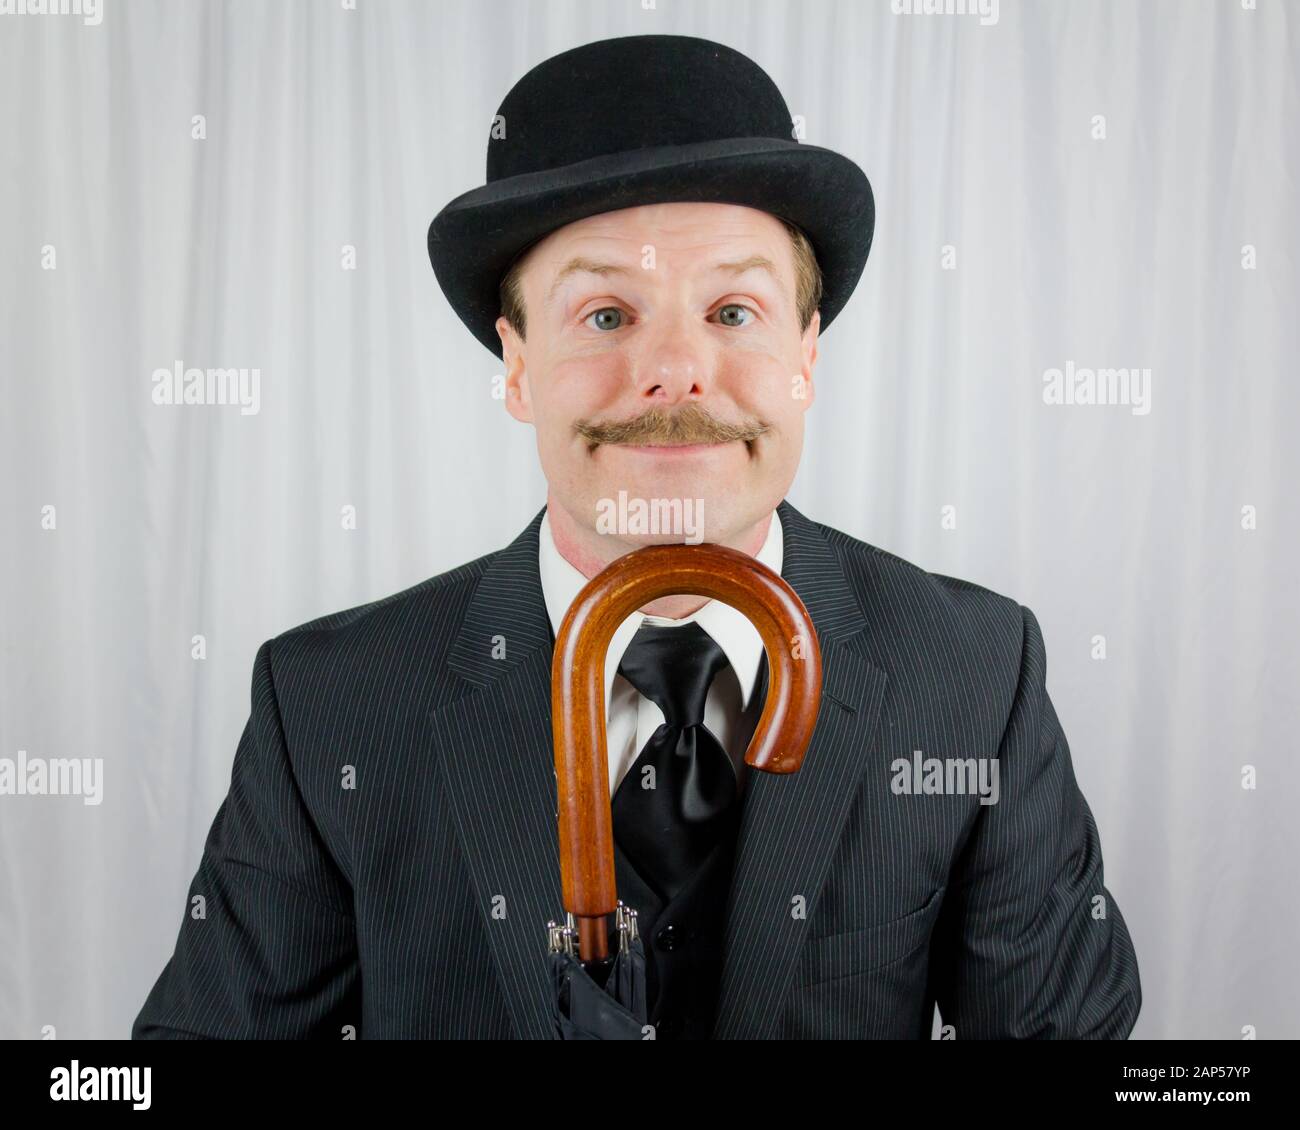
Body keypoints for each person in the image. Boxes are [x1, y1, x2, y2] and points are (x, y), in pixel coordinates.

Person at [132, 33, 1140, 1040]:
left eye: (733, 309)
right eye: (607, 314)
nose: (674, 370)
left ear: (805, 355)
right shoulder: (329, 703)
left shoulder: (971, 674)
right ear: (517, 363)